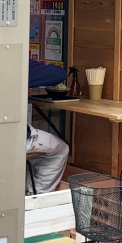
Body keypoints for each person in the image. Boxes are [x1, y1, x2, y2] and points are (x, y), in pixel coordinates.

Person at [26, 60, 70, 193]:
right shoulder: (17, 61)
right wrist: (40, 66)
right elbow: (58, 74)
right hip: (11, 139)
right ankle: (36, 198)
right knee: (60, 149)